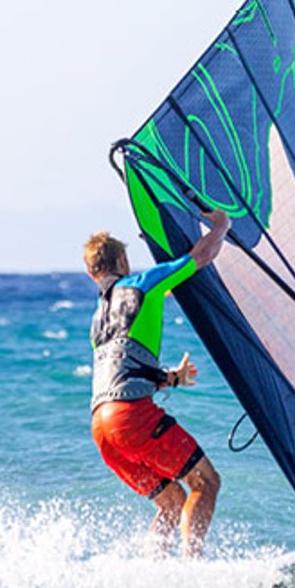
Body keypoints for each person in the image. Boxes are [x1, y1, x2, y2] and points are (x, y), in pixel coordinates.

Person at [84, 210, 231, 557]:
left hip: (101, 429)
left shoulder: (97, 322)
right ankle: (192, 567)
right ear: (122, 261)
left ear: (92, 273)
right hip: (130, 418)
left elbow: (122, 370)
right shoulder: (142, 284)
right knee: (205, 482)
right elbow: (201, 257)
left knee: (171, 502)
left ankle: (154, 571)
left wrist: (170, 378)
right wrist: (222, 226)